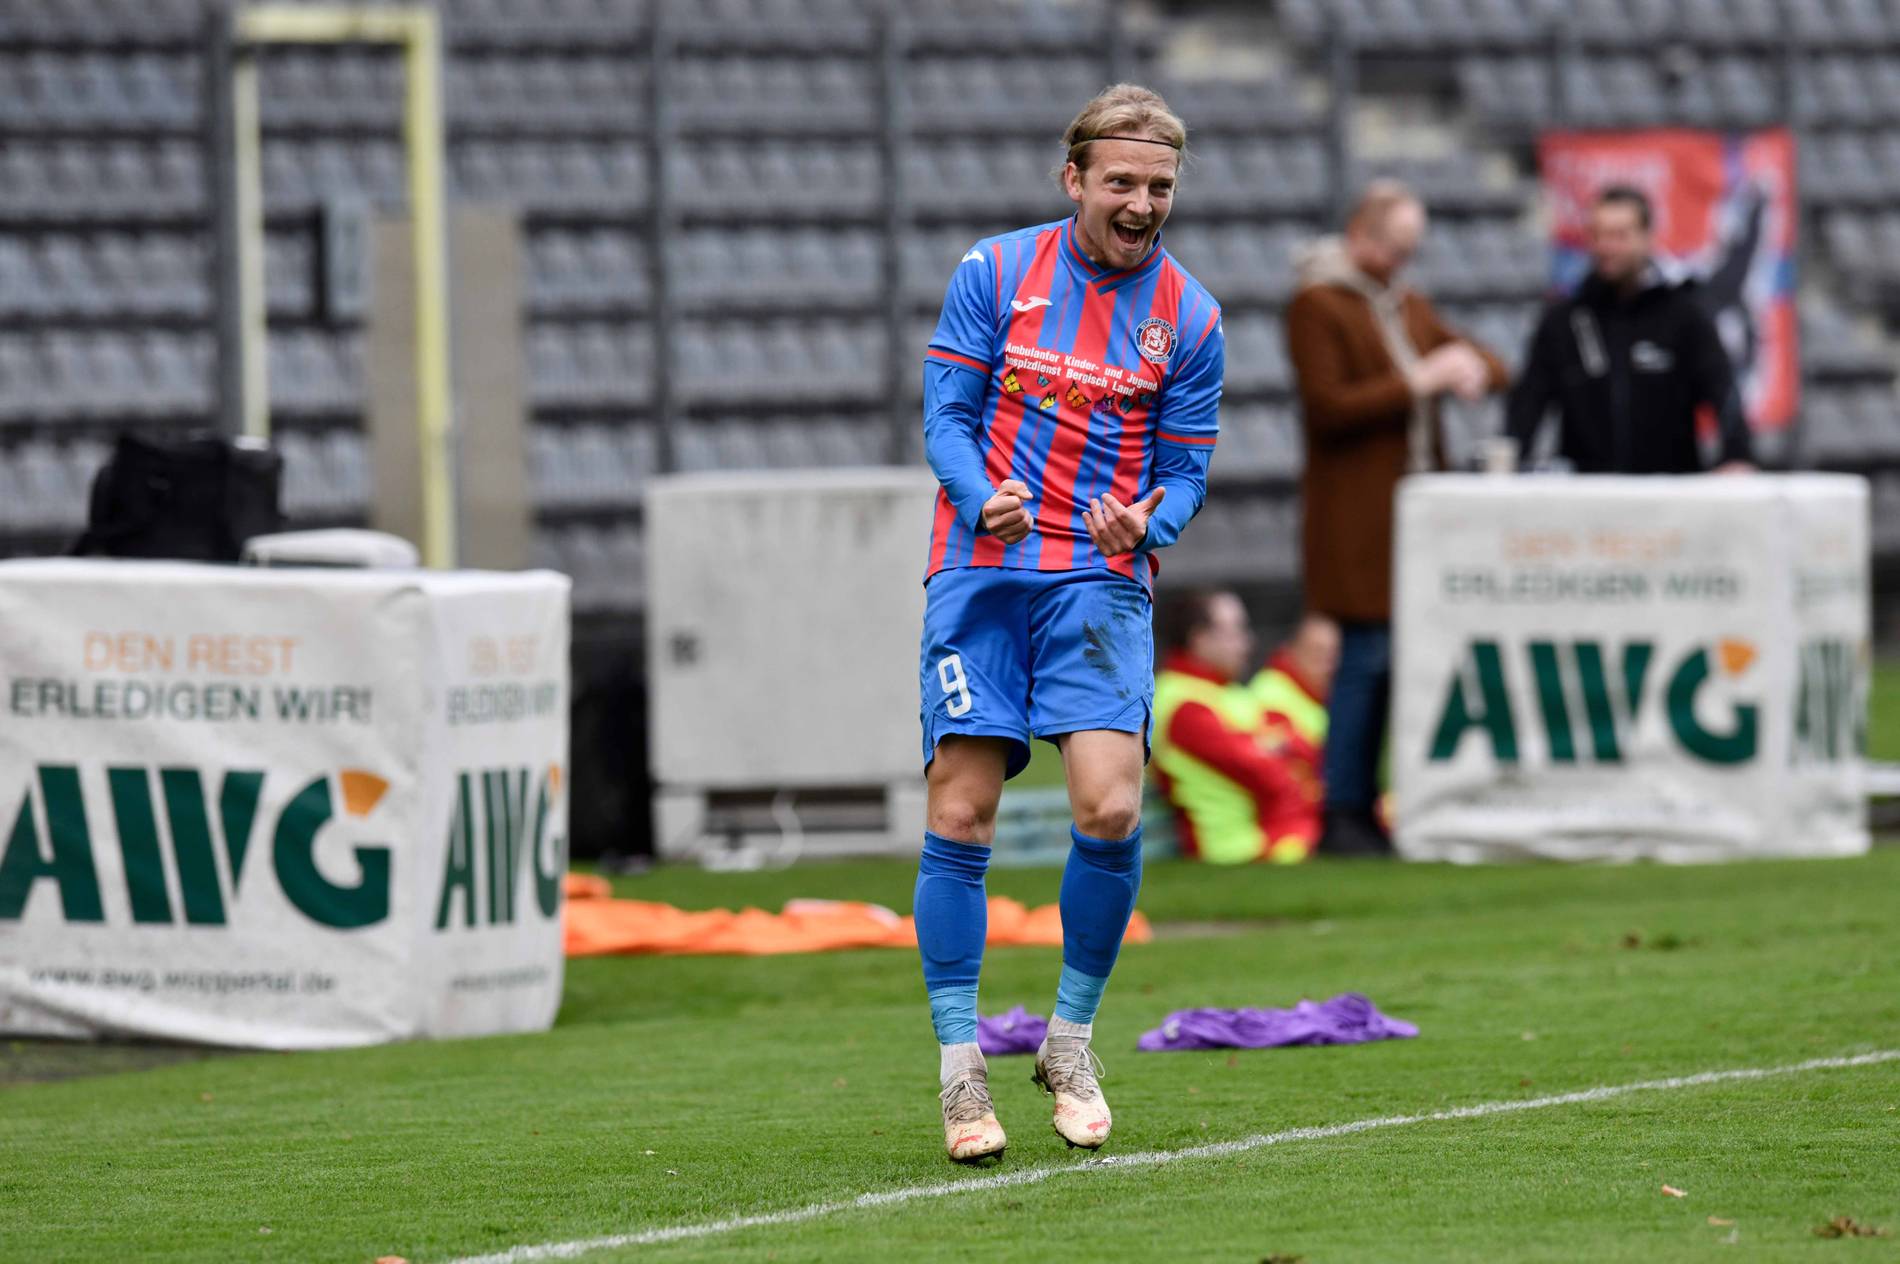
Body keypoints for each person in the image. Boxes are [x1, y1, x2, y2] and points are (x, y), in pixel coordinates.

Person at [914, 83, 1223, 1163]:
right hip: (985, 566)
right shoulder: (994, 273)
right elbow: (947, 415)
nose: (1142, 203)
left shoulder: (1190, 315)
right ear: (1075, 180)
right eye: (1123, 182)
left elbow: (1186, 468)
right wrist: (974, 490)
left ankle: (1069, 1040)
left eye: (1160, 186)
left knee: (1106, 807)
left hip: (1099, 579)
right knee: (960, 813)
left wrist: (1152, 517)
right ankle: (960, 1070)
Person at [1285, 180, 1508, 858]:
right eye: (1392, 248)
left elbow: (1486, 362)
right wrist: (1420, 381)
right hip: (1355, 519)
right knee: (1364, 660)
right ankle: (1343, 807)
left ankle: (1367, 804)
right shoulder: (1317, 304)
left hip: (1408, 520)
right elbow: (1328, 406)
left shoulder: (1403, 305)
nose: (1400, 262)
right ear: (1362, 237)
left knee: (1390, 662)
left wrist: (1471, 368)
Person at [1506, 184, 1755, 474]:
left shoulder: (1685, 314)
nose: (1606, 247)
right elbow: (1527, 404)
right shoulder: (1564, 320)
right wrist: (1510, 462)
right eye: (1597, 235)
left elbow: (1723, 391)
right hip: (1586, 497)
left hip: (1669, 494)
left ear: (1647, 237)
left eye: (1619, 236)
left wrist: (1737, 456)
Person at [1152, 591, 1322, 865]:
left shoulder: (1222, 689)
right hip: (1237, 849)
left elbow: (1303, 751)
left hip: (1274, 835)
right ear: (1199, 638)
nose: (1247, 642)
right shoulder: (1183, 703)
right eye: (1235, 632)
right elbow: (1266, 773)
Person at [1249, 610, 1337, 775]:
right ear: (1290, 651)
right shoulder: (1271, 691)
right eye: (1317, 653)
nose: (1329, 666)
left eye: (1334, 655)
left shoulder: (1323, 693)